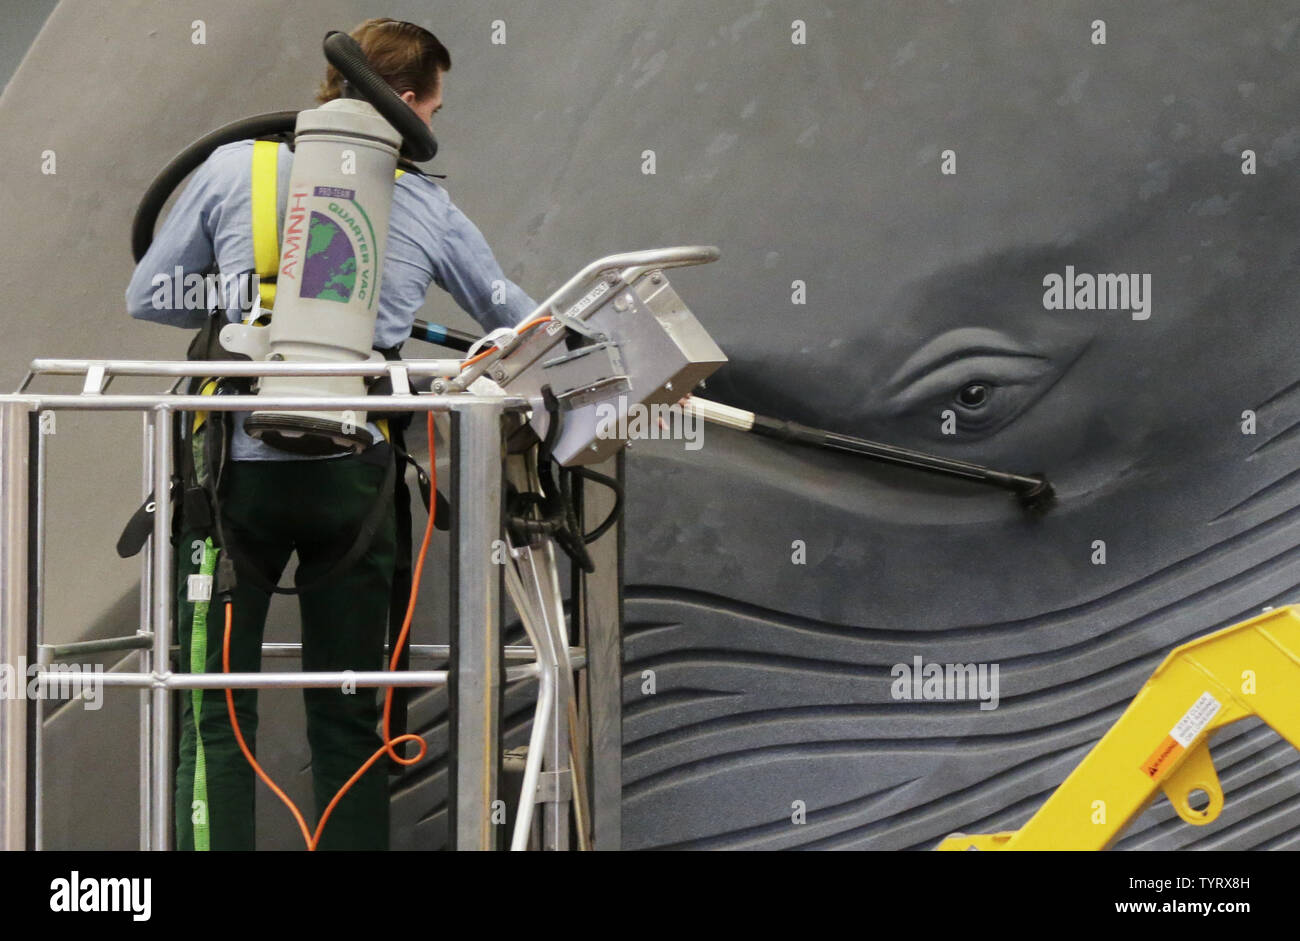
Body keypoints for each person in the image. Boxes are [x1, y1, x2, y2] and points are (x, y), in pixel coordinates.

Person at [125, 17, 536, 850]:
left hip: (231, 478)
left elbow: (149, 295)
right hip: (358, 483)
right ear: (411, 101)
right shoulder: (425, 200)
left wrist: (245, 309)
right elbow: (515, 321)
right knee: (352, 713)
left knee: (216, 710)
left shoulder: (234, 167)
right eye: (437, 104)